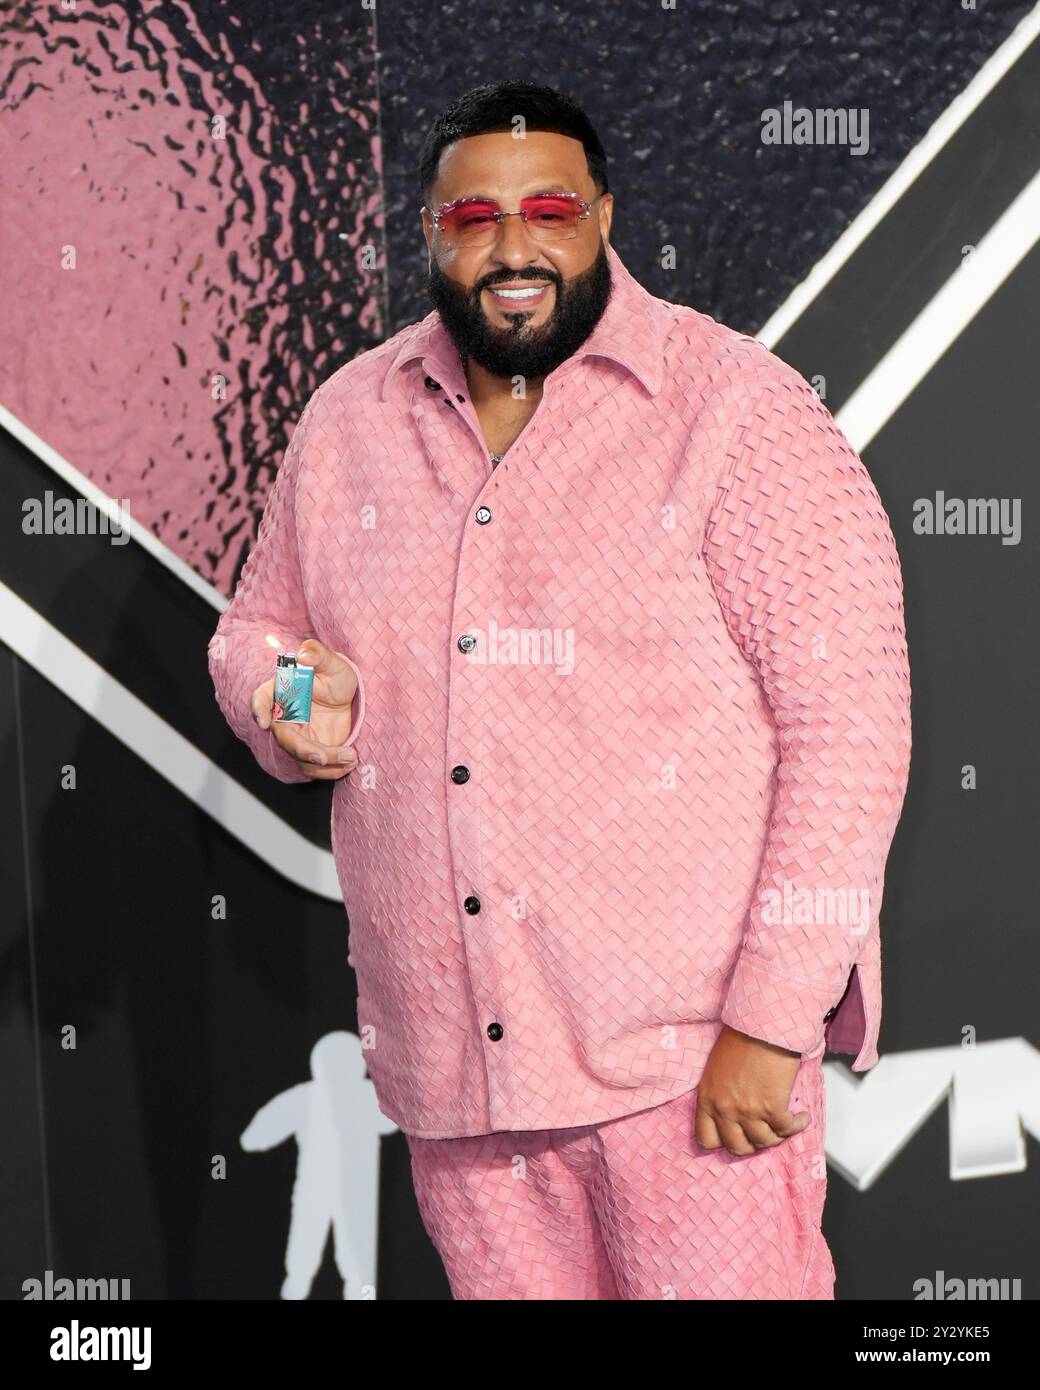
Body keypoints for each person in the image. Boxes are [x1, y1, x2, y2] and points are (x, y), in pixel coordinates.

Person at [209, 79, 912, 1300]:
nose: (512, 245)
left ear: (601, 218)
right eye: (473, 218)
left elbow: (846, 734)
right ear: (429, 233)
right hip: (457, 1082)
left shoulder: (738, 413)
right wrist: (284, 693)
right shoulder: (346, 423)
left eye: (546, 208)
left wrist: (769, 1021)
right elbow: (252, 634)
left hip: (690, 1075)